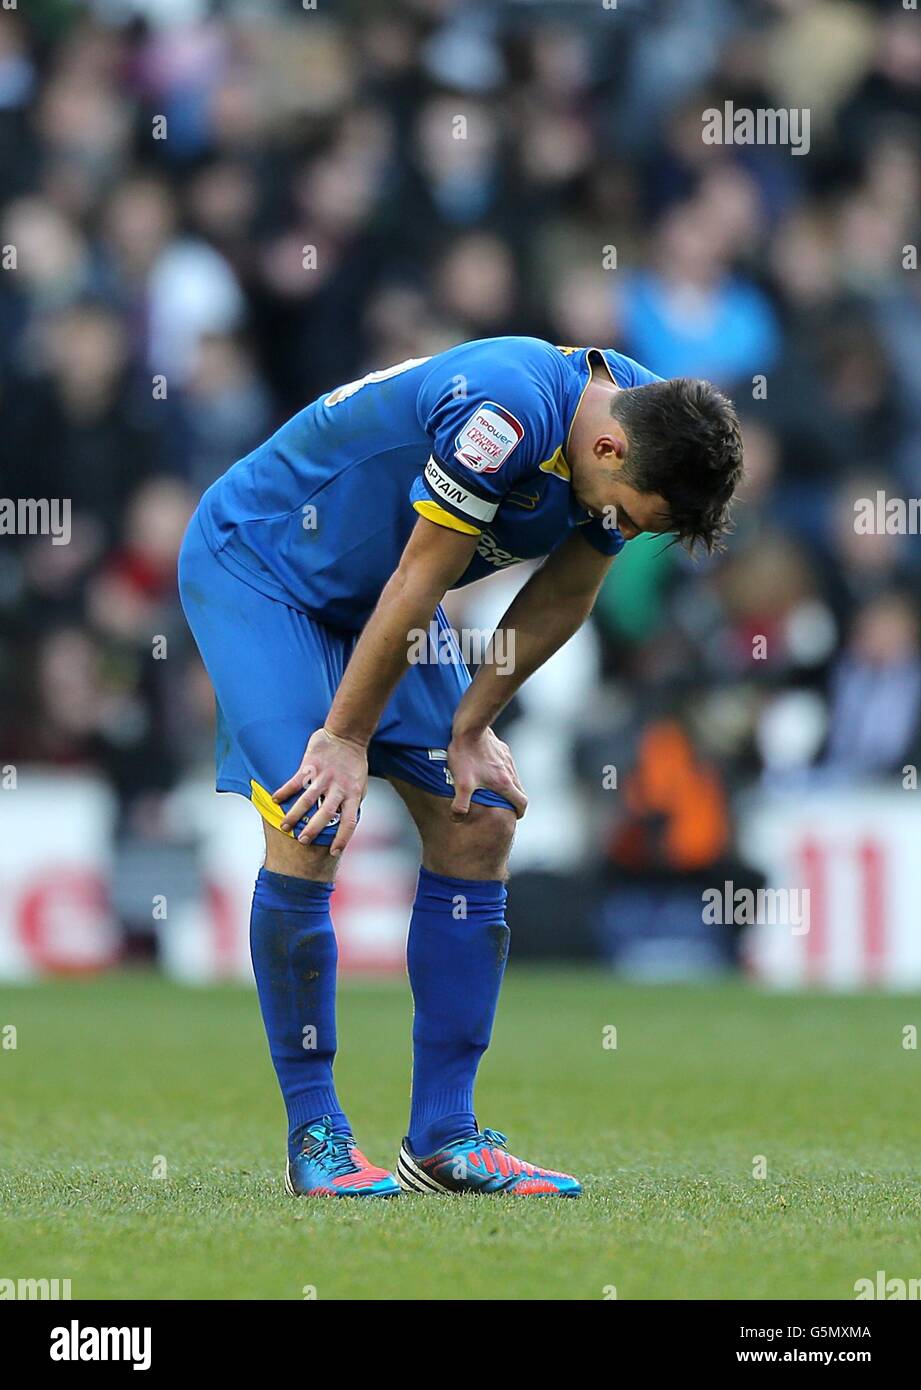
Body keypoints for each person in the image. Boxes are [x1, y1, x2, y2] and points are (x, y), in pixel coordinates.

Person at [178, 336, 743, 1198]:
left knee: (480, 819)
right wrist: (344, 738)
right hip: (265, 569)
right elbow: (418, 577)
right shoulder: (504, 411)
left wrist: (472, 726)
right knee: (313, 813)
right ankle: (317, 1136)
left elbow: (564, 593)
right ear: (605, 450)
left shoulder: (640, 417)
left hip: (383, 597)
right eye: (629, 516)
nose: (621, 530)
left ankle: (444, 1136)